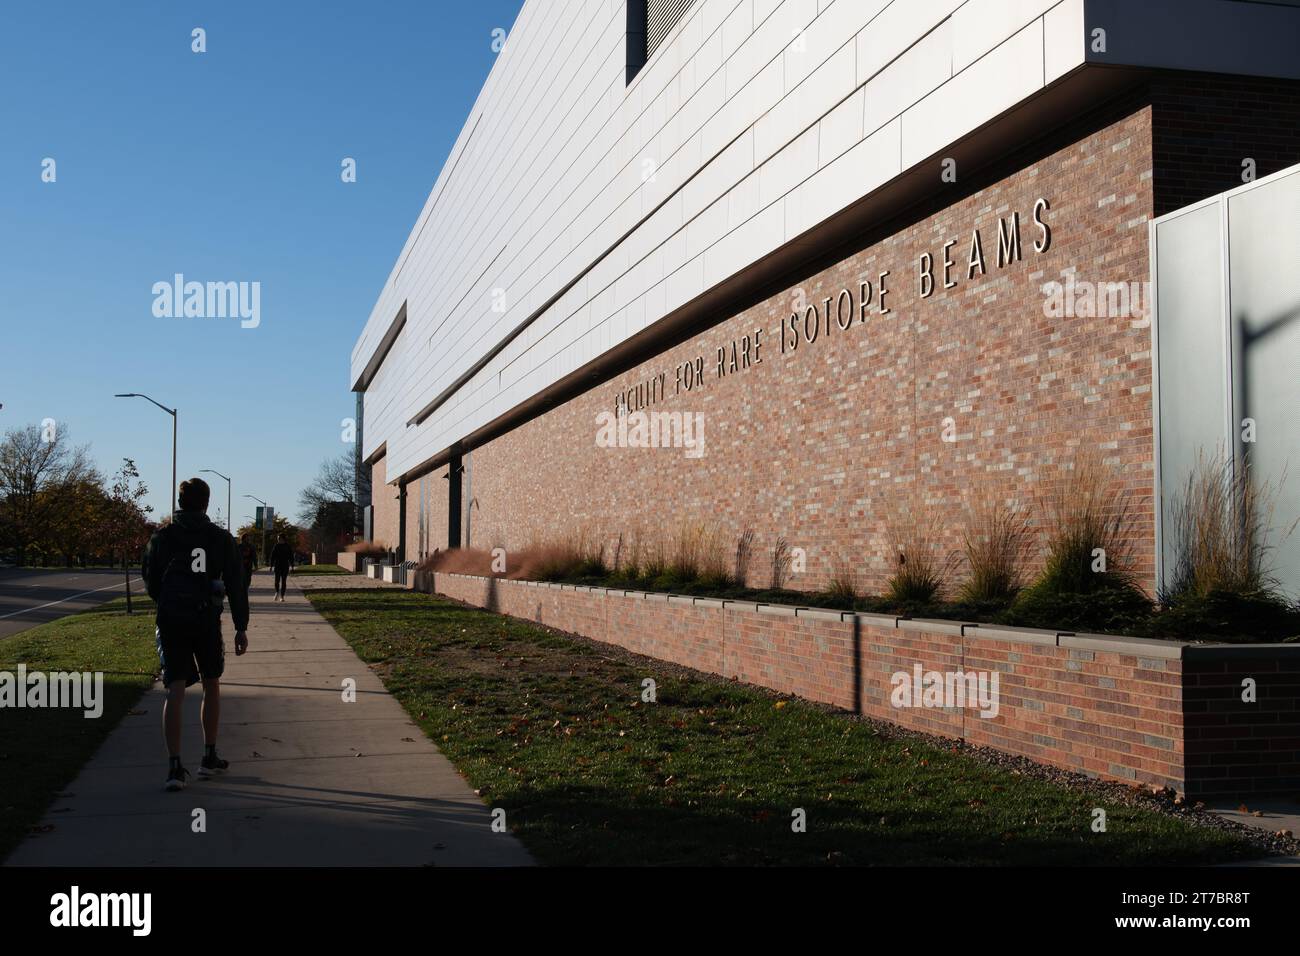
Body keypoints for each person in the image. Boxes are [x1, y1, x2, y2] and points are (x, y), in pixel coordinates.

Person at [142, 478, 249, 792]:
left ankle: (175, 768)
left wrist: (167, 601)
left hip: (172, 618)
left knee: (175, 689)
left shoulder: (161, 537)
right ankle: (209, 756)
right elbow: (236, 585)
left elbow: (150, 580)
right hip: (205, 618)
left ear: (180, 501)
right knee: (211, 683)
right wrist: (241, 626)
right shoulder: (220, 539)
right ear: (206, 502)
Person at [269, 533, 294, 602]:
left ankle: (282, 596)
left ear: (283, 539)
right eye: (278, 538)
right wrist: (271, 566)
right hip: (277, 565)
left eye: (279, 538)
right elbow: (272, 556)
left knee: (284, 581)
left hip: (285, 566)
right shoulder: (276, 546)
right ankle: (277, 592)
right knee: (277, 581)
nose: (278, 540)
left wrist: (292, 566)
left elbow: (291, 556)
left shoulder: (287, 546)